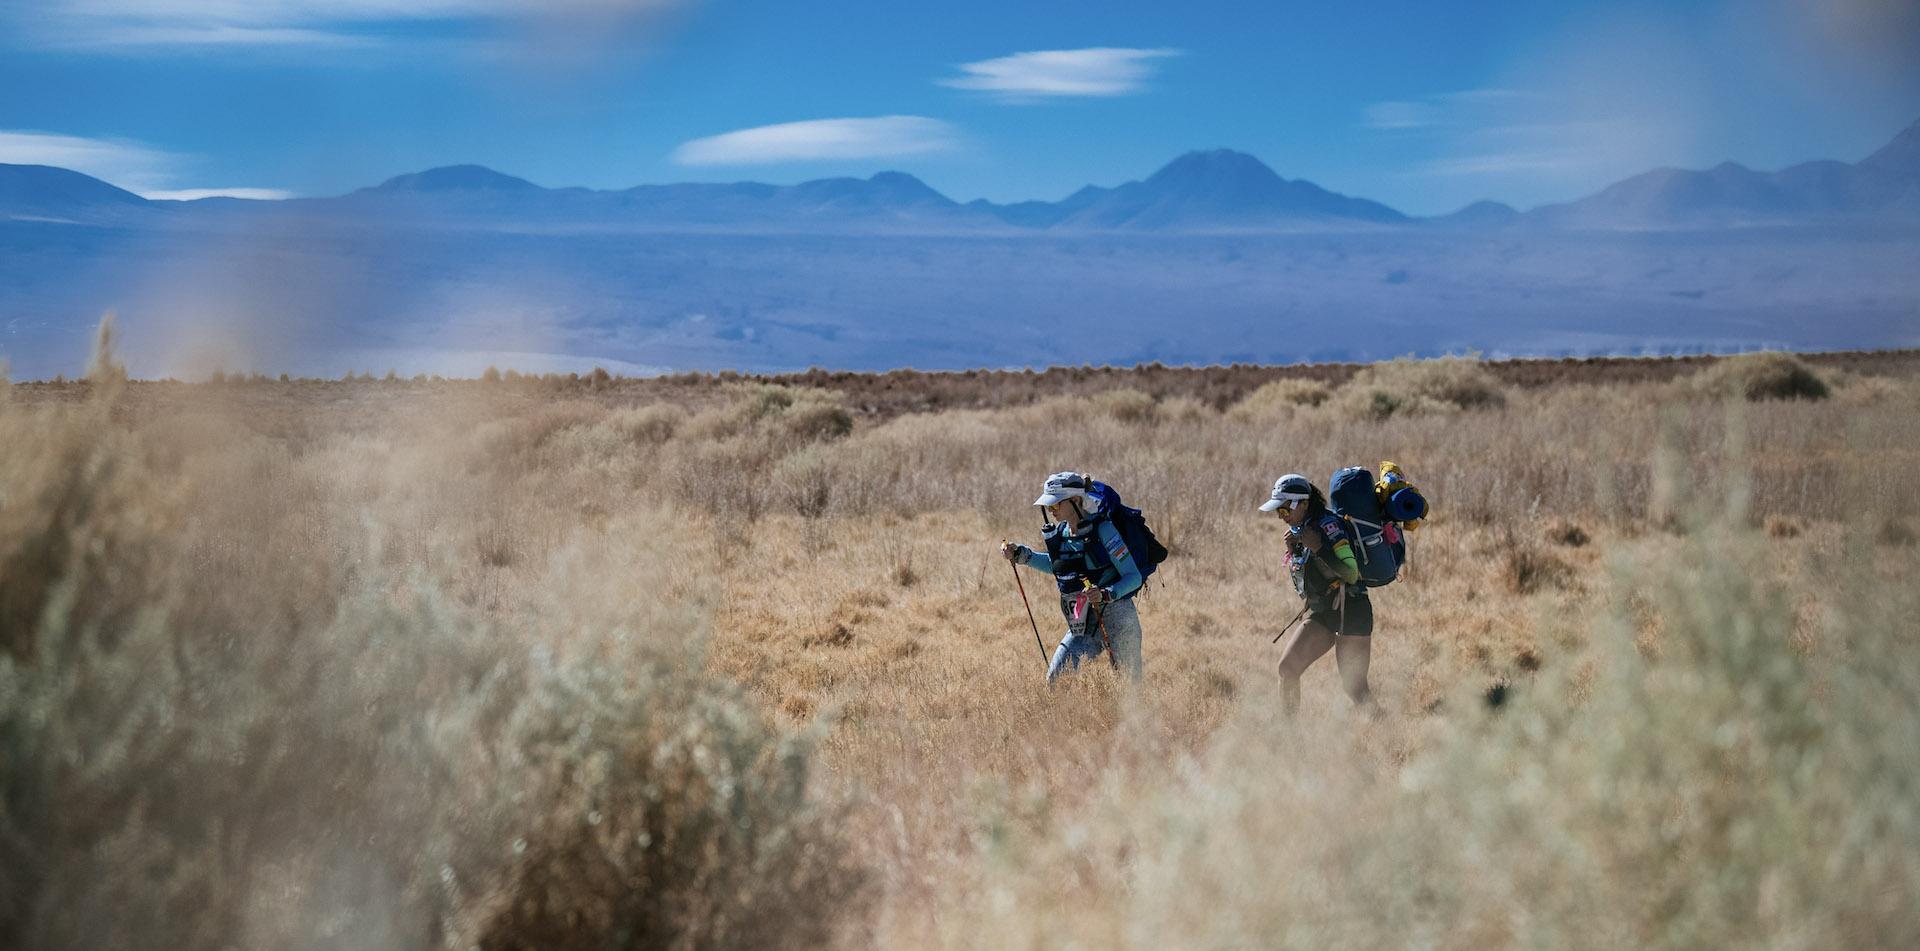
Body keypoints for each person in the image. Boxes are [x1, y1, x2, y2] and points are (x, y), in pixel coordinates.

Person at [1000, 472, 1146, 682]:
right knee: (1055, 680)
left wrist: (1106, 593)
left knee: (1129, 689)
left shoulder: (1104, 530)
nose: (1051, 511)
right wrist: (1022, 555)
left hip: (1119, 617)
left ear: (1076, 500)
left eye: (1056, 505)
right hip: (1083, 621)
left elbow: (1133, 576)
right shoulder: (1062, 533)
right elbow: (1061, 566)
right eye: (1049, 507)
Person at [1261, 473, 1374, 714]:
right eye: (1278, 512)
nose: (1282, 517)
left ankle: (1386, 730)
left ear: (1302, 503)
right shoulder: (1301, 528)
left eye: (1284, 510)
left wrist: (1319, 548)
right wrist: (1294, 550)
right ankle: (1288, 733)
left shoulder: (1329, 527)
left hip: (1352, 609)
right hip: (1323, 609)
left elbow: (1351, 574)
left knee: (1355, 688)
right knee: (1288, 668)